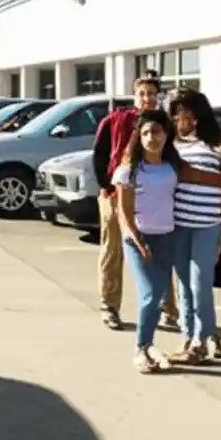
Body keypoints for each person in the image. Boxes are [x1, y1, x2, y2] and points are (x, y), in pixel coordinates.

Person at [115, 108, 221, 373]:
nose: (152, 137)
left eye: (156, 132)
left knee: (163, 295)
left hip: (167, 237)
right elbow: (124, 214)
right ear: (139, 138)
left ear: (167, 135)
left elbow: (209, 178)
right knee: (152, 293)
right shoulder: (129, 170)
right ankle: (141, 349)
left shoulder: (173, 166)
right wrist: (138, 241)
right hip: (139, 240)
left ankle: (165, 343)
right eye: (145, 133)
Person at [167, 88, 221, 362]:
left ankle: (202, 338)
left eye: (185, 112)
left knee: (200, 283)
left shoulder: (219, 143)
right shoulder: (171, 143)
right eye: (175, 113)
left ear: (198, 114)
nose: (180, 118)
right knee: (184, 285)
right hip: (177, 224)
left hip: (207, 224)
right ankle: (191, 337)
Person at [91, 73, 159, 330]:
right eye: (142, 94)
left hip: (152, 196)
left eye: (151, 94)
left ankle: (168, 307)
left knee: (159, 251)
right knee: (112, 251)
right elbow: (99, 155)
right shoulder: (117, 121)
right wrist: (108, 187)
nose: (147, 99)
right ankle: (109, 306)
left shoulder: (163, 125)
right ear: (135, 96)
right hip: (115, 195)